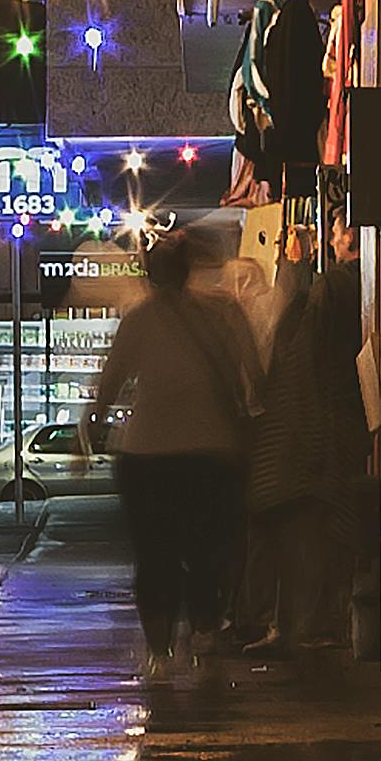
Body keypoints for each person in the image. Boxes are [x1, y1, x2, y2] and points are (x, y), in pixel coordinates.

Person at [84, 223, 264, 685]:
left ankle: (160, 649)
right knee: (209, 548)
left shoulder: (138, 320)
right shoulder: (223, 314)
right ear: (188, 270)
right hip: (213, 452)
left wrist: (90, 430)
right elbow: (256, 377)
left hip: (147, 455)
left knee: (154, 554)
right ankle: (204, 629)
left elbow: (109, 385)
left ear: (150, 274)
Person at [242, 254, 373, 661]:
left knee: (301, 541)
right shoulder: (330, 332)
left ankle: (301, 625)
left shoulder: (311, 318)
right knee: (316, 539)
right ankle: (308, 625)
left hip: (298, 456)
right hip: (314, 453)